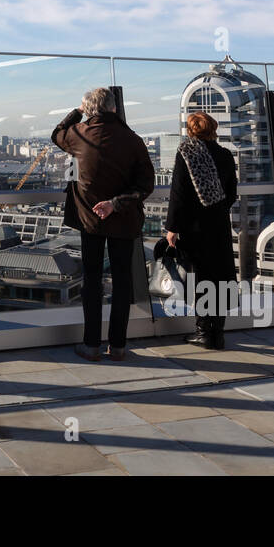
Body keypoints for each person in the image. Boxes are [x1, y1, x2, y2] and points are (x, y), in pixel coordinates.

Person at [52, 87, 155, 362]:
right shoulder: (133, 140)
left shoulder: (79, 135)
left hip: (91, 221)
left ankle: (92, 344)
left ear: (89, 110)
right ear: (113, 108)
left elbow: (56, 134)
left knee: (93, 282)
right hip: (123, 220)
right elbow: (146, 184)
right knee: (122, 282)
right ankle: (118, 346)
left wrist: (76, 112)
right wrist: (116, 203)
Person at [163, 112, 239, 349]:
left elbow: (178, 194)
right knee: (219, 274)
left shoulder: (186, 153)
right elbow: (231, 193)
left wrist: (172, 227)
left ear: (191, 130)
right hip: (219, 224)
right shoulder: (225, 155)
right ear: (213, 129)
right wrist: (217, 210)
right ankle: (218, 332)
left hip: (195, 227)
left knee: (202, 277)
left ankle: (204, 332)